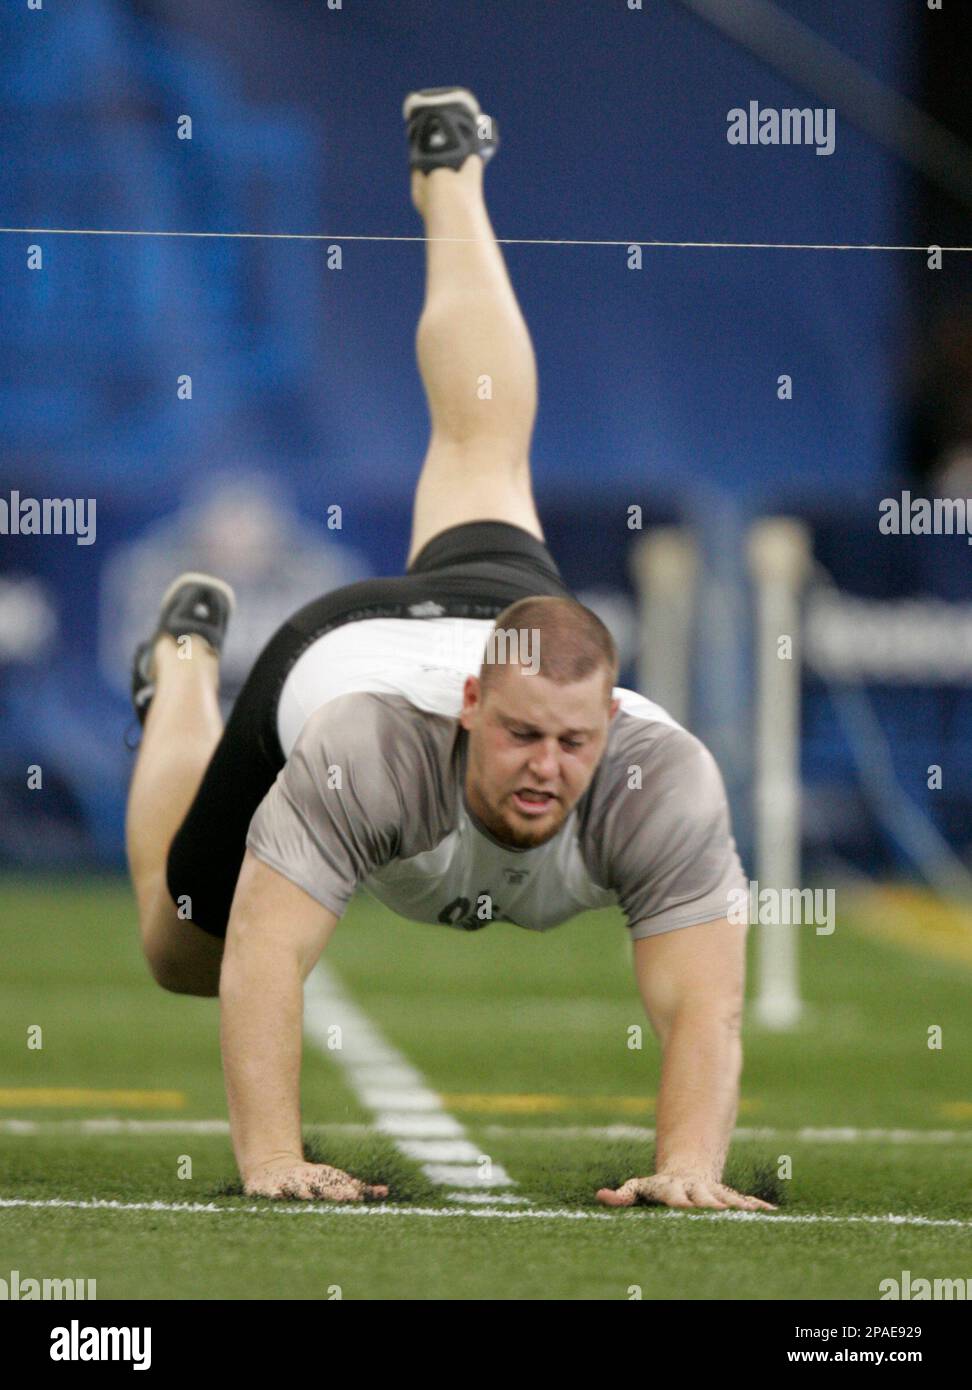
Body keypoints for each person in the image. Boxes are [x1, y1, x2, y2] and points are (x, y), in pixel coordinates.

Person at [125, 87, 774, 1214]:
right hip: (343, 651)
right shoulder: (366, 747)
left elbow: (700, 1002)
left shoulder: (659, 778)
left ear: (609, 726)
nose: (546, 766)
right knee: (179, 946)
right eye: (522, 734)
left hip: (504, 607)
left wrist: (687, 1172)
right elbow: (264, 961)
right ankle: (181, 670)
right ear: (474, 708)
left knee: (484, 438)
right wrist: (272, 1161)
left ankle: (453, 174)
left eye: (573, 742)